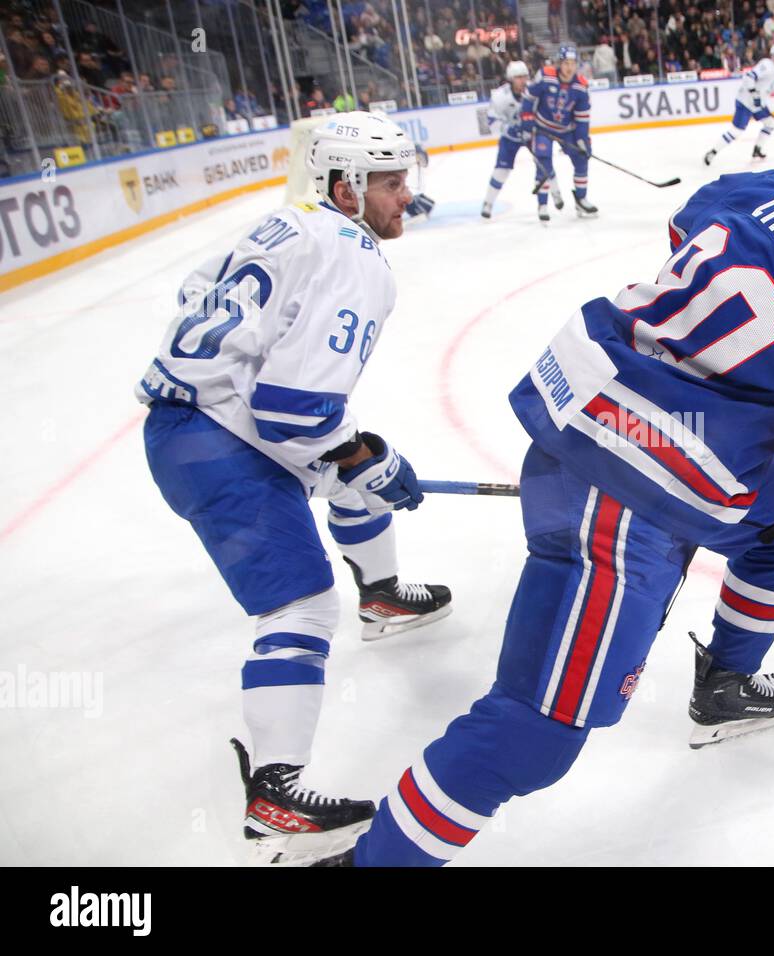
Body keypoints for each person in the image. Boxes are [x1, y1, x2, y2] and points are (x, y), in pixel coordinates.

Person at [315, 96, 774, 867]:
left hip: (597, 410)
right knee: (539, 730)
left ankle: (728, 681)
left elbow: (688, 226)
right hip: (632, 485)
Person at [135, 111, 452, 857]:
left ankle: (381, 595)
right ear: (344, 187)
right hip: (216, 443)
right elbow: (294, 411)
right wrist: (367, 456)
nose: (406, 195)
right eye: (390, 182)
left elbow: (210, 314)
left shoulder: (285, 225)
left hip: (204, 421)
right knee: (302, 606)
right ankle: (275, 796)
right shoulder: (354, 256)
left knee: (353, 476)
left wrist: (357, 461)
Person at [521, 45, 595, 222]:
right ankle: (543, 204)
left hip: (566, 130)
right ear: (559, 63)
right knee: (543, 160)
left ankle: (581, 199)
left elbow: (582, 118)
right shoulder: (545, 75)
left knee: (581, 159)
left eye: (573, 63)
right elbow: (528, 97)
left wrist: (583, 141)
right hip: (543, 128)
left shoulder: (581, 86)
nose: (569, 67)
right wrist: (527, 123)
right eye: (566, 63)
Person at [482, 60, 563, 218]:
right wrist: (508, 129)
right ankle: (488, 203)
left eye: (525, 77)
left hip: (531, 134)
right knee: (501, 170)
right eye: (518, 77)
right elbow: (492, 121)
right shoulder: (500, 96)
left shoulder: (534, 90)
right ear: (511, 79)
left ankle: (555, 192)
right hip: (510, 138)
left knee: (545, 163)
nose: (523, 81)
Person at [703, 42, 774, 164]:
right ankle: (712, 152)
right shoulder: (766, 65)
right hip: (745, 101)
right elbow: (749, 77)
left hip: (758, 104)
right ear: (772, 55)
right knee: (736, 132)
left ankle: (757, 149)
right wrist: (754, 92)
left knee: (770, 124)